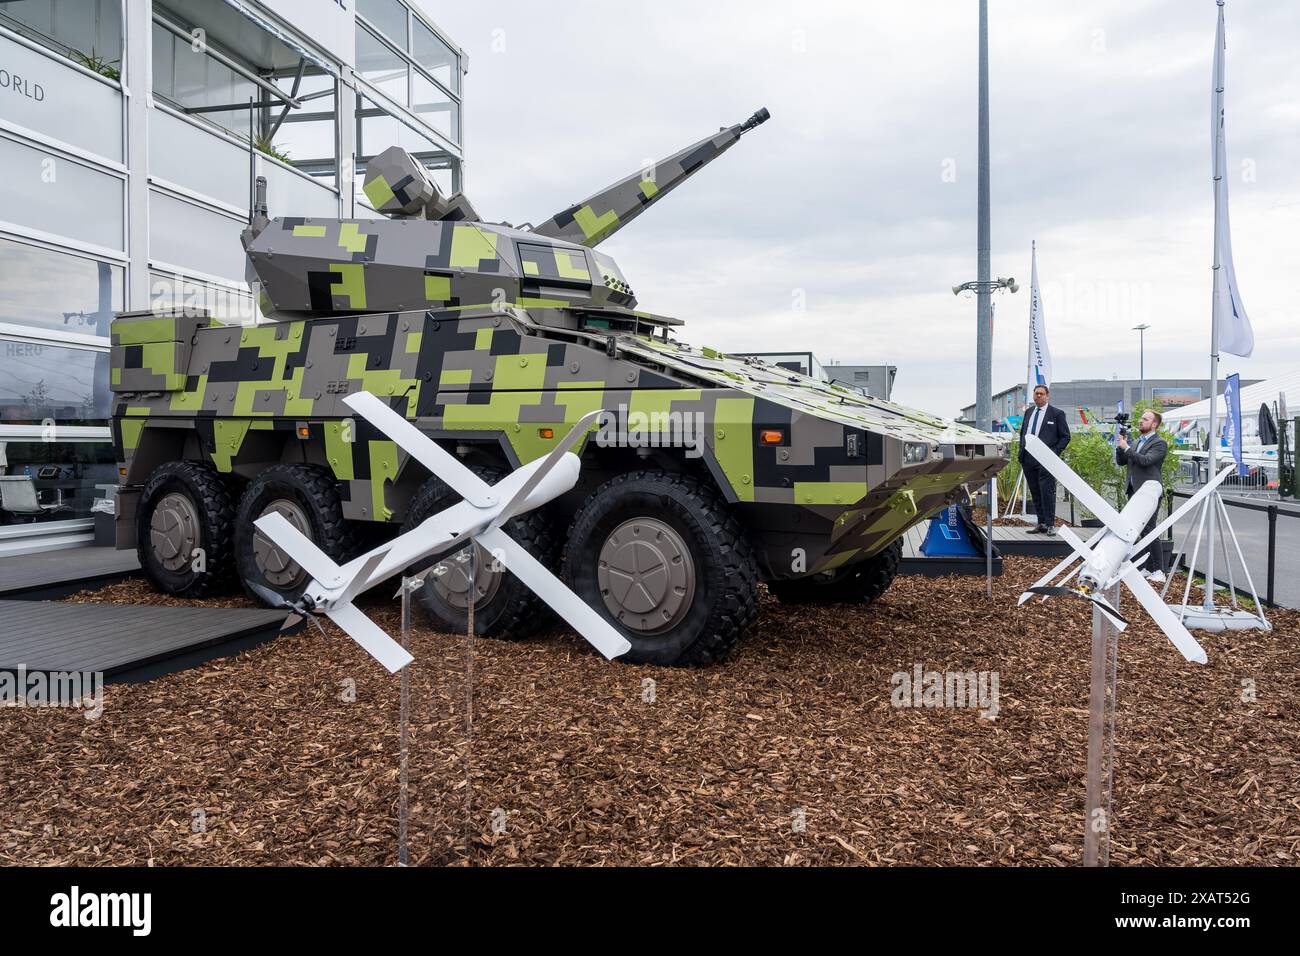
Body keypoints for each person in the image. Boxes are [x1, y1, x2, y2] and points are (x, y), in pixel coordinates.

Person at [1116, 409, 1169, 580]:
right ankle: (1148, 567)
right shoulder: (1137, 441)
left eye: (1145, 419)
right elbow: (1122, 461)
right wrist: (1121, 446)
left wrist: (1126, 448)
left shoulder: (1159, 443)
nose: (1140, 421)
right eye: (1140, 418)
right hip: (1134, 491)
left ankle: (1159, 571)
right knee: (1140, 530)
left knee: (1149, 530)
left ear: (1154, 424)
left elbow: (1146, 461)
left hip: (1149, 492)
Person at [1018, 384, 1071, 535]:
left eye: (1041, 394)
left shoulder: (1056, 414)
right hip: (1028, 458)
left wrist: (1053, 452)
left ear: (1047, 396)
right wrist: (1021, 452)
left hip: (1046, 460)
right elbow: (1023, 433)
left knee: (1046, 492)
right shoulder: (1028, 412)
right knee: (1035, 491)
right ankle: (1040, 523)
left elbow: (1066, 437)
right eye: (1036, 394)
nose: (1038, 396)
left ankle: (1050, 524)